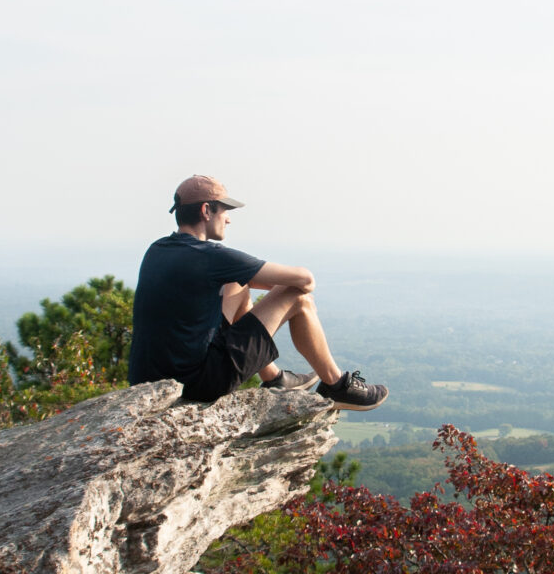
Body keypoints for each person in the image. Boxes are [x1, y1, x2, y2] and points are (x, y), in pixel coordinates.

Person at [127, 174, 389, 410]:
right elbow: (305, 280)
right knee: (298, 297)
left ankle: (274, 378)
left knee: (237, 283)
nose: (228, 218)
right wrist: (282, 294)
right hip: (198, 384)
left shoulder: (157, 249)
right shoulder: (209, 256)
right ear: (206, 210)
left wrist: (254, 282)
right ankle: (337, 384)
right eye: (225, 210)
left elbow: (236, 280)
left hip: (151, 382)